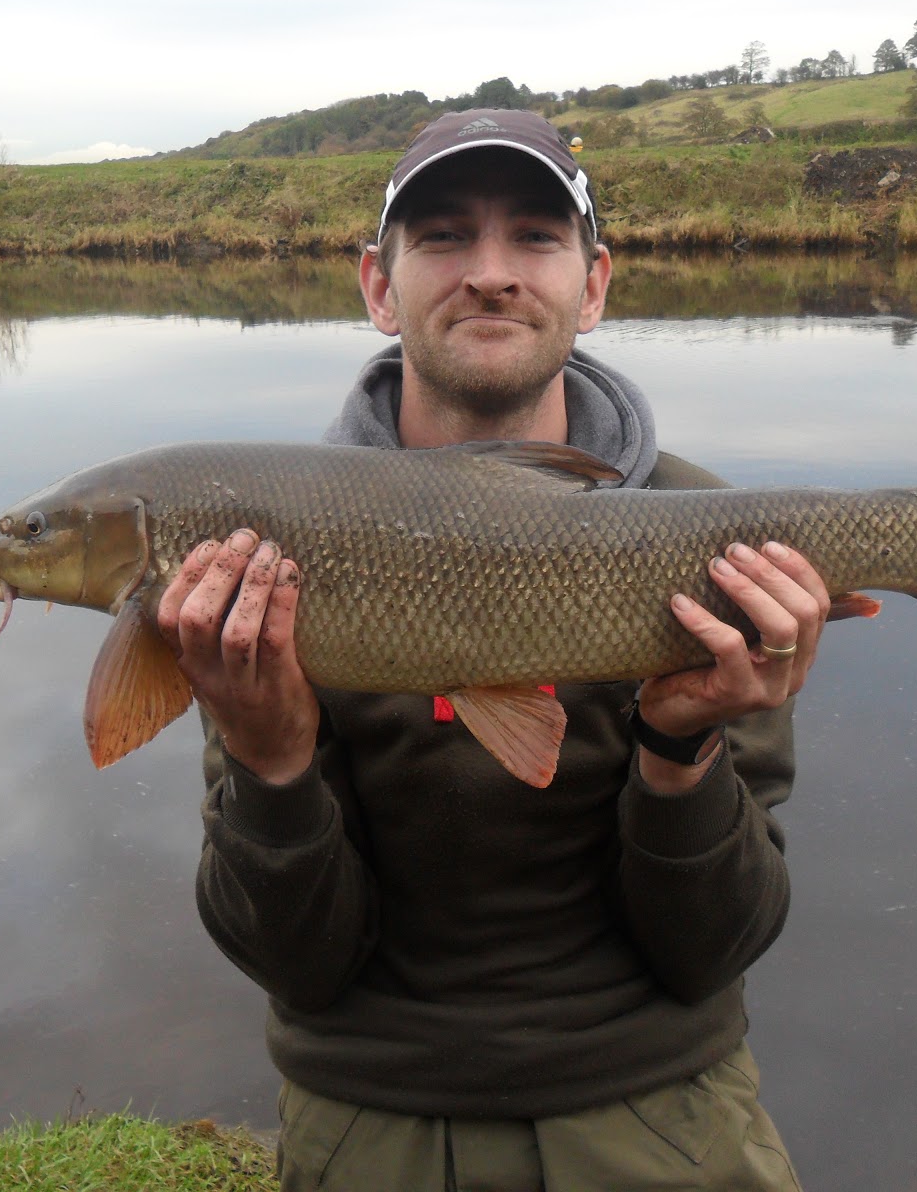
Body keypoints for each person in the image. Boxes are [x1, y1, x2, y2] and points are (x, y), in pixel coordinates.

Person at [156, 108, 830, 1190]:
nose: (489, 273)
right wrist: (272, 759)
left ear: (594, 282)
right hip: (370, 1116)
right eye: (440, 238)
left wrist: (680, 748)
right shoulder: (263, 539)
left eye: (533, 235)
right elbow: (296, 963)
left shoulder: (707, 535)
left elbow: (716, 947)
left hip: (661, 1108)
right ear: (377, 286)